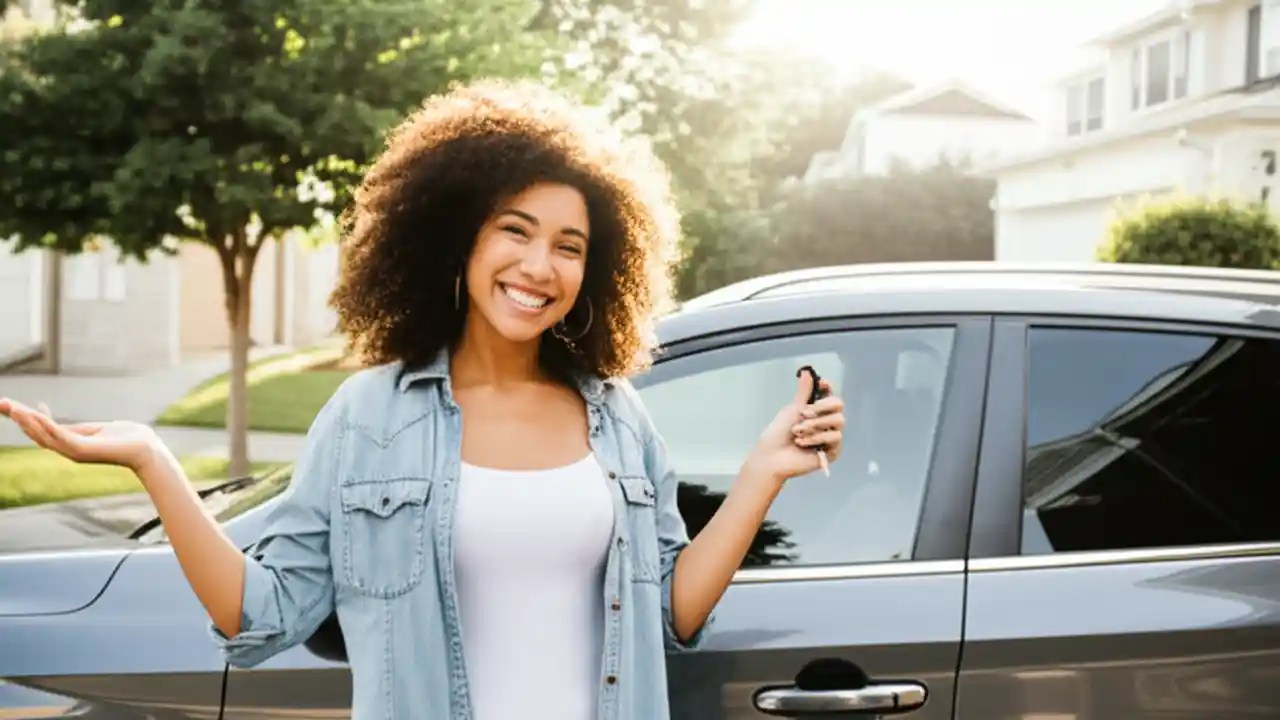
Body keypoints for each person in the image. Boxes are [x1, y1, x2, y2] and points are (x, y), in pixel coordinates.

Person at [0, 79, 845, 720]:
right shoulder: (370, 416)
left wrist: (762, 475)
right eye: (514, 230)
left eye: (569, 245)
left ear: (599, 270)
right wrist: (154, 461)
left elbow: (671, 613)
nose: (539, 266)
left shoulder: (617, 418)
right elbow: (260, 616)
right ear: (459, 238)